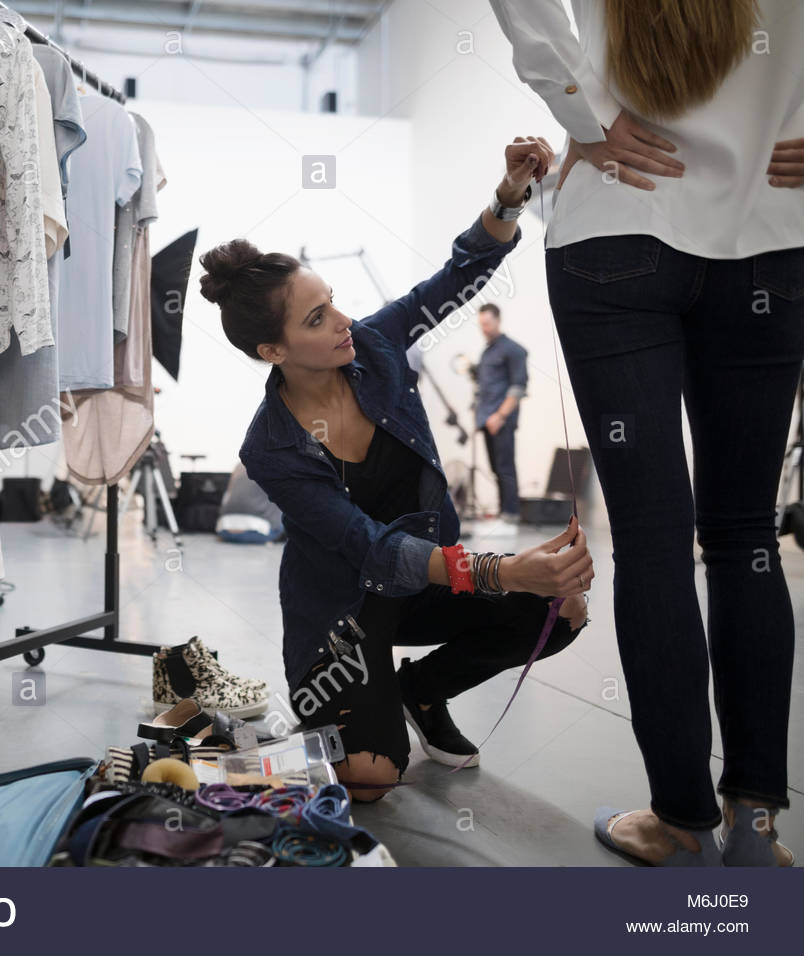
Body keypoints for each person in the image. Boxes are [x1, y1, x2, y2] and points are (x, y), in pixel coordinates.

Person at [492, 0, 804, 866]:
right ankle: (758, 829)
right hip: (773, 231)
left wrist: (583, 111)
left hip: (618, 226)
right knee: (746, 538)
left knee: (656, 541)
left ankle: (681, 824)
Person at [205, 136, 592, 801]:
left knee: (563, 609)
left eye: (334, 301)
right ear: (272, 349)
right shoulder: (270, 447)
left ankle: (420, 691)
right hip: (343, 613)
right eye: (318, 318)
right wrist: (501, 569)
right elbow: (368, 546)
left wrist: (509, 196)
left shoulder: (375, 348)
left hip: (422, 587)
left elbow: (458, 277)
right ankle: (363, 698)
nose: (345, 323)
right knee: (369, 779)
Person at [475, 303, 528, 523]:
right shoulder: (487, 351)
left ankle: (511, 514)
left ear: (498, 320)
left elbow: (518, 386)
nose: (484, 328)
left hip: (501, 420)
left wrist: (501, 416)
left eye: (487, 323)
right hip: (485, 418)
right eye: (481, 324)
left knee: (505, 467)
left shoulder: (513, 350)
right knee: (496, 468)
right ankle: (502, 511)